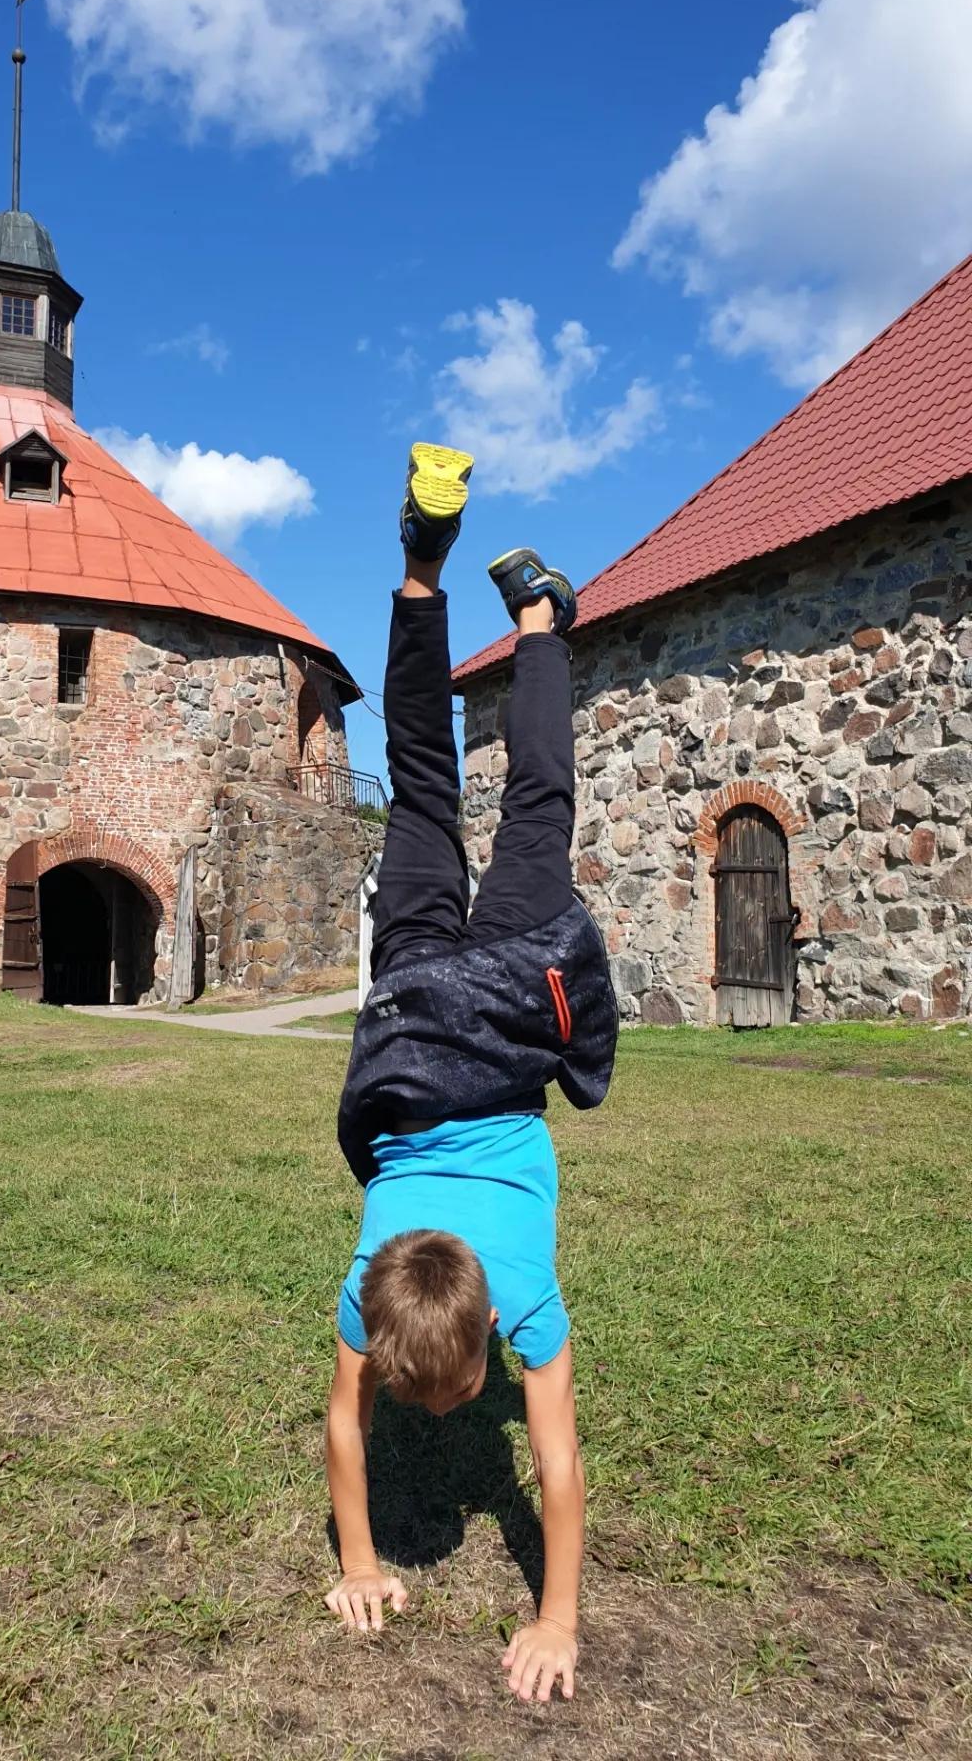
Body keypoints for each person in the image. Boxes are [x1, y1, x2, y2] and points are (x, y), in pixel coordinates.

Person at [323, 442, 618, 1705]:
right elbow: (347, 1423)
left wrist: (558, 1620)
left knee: (542, 803)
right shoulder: (360, 1283)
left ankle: (543, 617)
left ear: (488, 1321)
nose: (441, 1414)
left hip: (500, 1018)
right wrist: (361, 1555)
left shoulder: (530, 1296)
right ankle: (418, 570)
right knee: (425, 793)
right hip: (405, 1012)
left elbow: (556, 1468)